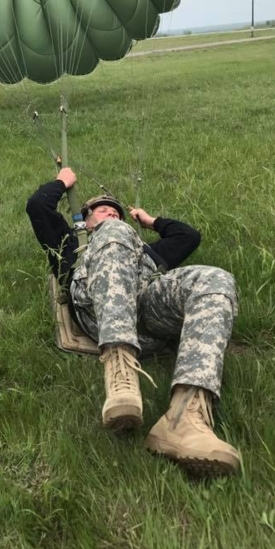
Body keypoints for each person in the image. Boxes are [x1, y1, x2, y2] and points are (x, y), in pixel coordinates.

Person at [26, 167, 241, 478]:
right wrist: (62, 182)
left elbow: (189, 237)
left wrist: (151, 222)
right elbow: (37, 206)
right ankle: (120, 370)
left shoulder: (146, 251)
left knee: (216, 280)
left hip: (147, 313)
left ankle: (185, 418)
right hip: (96, 312)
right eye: (103, 211)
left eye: (117, 213)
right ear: (85, 220)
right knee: (113, 233)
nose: (112, 214)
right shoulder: (69, 244)